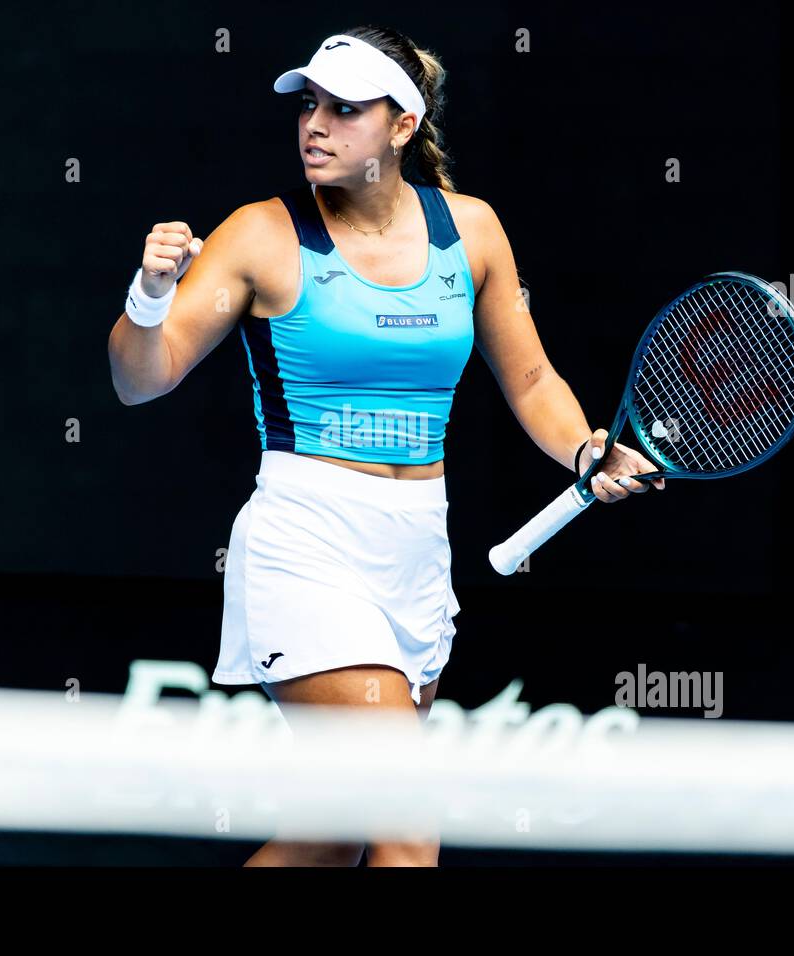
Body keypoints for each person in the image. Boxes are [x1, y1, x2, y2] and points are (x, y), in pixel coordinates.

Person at [107, 25, 663, 866]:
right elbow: (140, 380)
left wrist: (588, 450)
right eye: (309, 104)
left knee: (334, 836)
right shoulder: (260, 235)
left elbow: (533, 381)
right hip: (307, 544)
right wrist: (150, 297)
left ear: (403, 125)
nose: (315, 125)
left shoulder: (471, 232)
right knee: (407, 822)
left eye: (345, 109)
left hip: (416, 549)